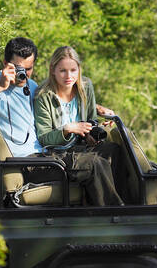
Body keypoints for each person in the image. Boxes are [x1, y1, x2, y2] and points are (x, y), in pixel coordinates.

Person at [33, 45, 129, 206]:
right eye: (62, 70)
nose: (68, 76)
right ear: (52, 70)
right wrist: (67, 129)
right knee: (95, 162)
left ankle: (130, 203)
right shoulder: (43, 95)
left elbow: (91, 119)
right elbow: (43, 137)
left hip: (81, 146)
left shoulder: (85, 86)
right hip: (57, 152)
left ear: (79, 69)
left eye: (73, 70)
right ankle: (113, 210)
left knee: (115, 150)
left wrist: (91, 134)